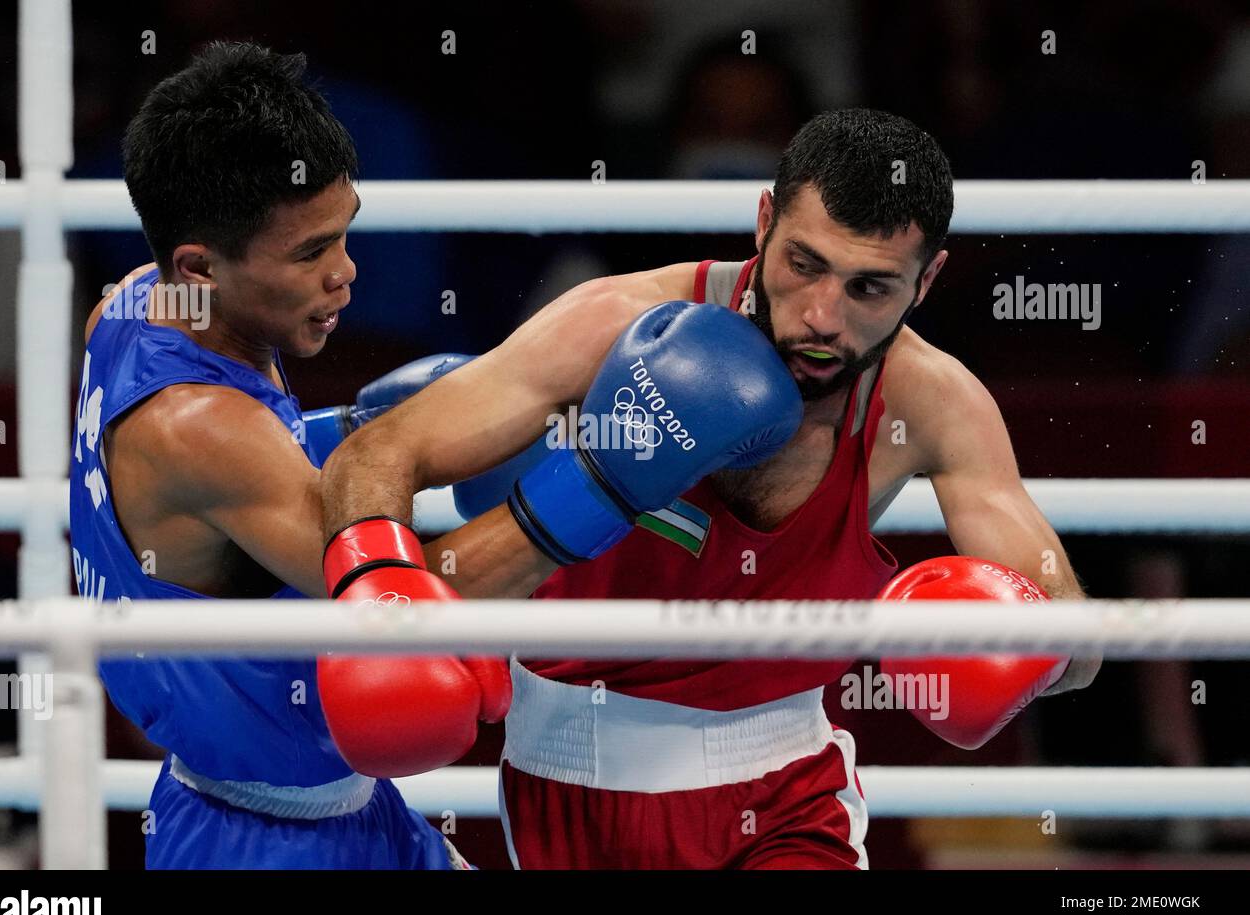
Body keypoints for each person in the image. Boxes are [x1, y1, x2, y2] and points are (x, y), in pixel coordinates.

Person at [70, 41, 799, 869]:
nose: (345, 273)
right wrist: (606, 483)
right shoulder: (201, 428)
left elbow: (224, 494)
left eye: (342, 233)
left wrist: (351, 430)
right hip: (266, 846)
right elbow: (402, 610)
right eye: (308, 253)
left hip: (335, 808)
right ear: (201, 267)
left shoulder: (137, 304)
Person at [322, 108, 1101, 869]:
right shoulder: (610, 324)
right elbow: (380, 450)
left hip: (790, 795)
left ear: (926, 280)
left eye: (870, 288)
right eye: (804, 264)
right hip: (568, 782)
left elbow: (1075, 637)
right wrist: (379, 597)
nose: (822, 316)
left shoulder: (931, 402)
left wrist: (1024, 644)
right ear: (764, 223)